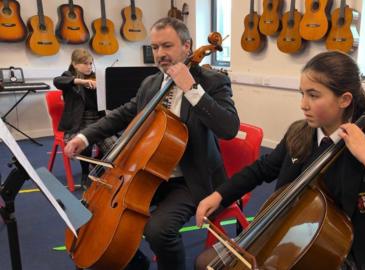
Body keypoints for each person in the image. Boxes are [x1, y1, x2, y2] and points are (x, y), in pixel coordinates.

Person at [195, 51, 365, 270]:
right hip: (290, 243)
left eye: (313, 95)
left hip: (352, 256)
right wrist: (220, 195)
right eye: (302, 93)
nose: (303, 104)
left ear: (344, 100)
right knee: (205, 263)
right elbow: (262, 169)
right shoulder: (300, 133)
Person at [63, 17, 239, 270]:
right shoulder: (152, 83)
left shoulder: (212, 81)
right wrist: (84, 136)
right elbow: (124, 113)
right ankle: (133, 263)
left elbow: (229, 128)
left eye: (167, 46)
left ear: (187, 46)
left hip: (191, 178)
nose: (160, 54)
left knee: (157, 230)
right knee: (100, 213)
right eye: (155, 48)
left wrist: (191, 88)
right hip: (149, 174)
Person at [53, 48, 115, 190]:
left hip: (98, 121)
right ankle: (85, 172)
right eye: (85, 64)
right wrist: (80, 81)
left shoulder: (96, 77)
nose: (89, 67)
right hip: (78, 123)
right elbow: (57, 81)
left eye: (90, 63)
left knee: (114, 146)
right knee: (83, 144)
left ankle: (98, 163)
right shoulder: (68, 77)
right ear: (75, 64)